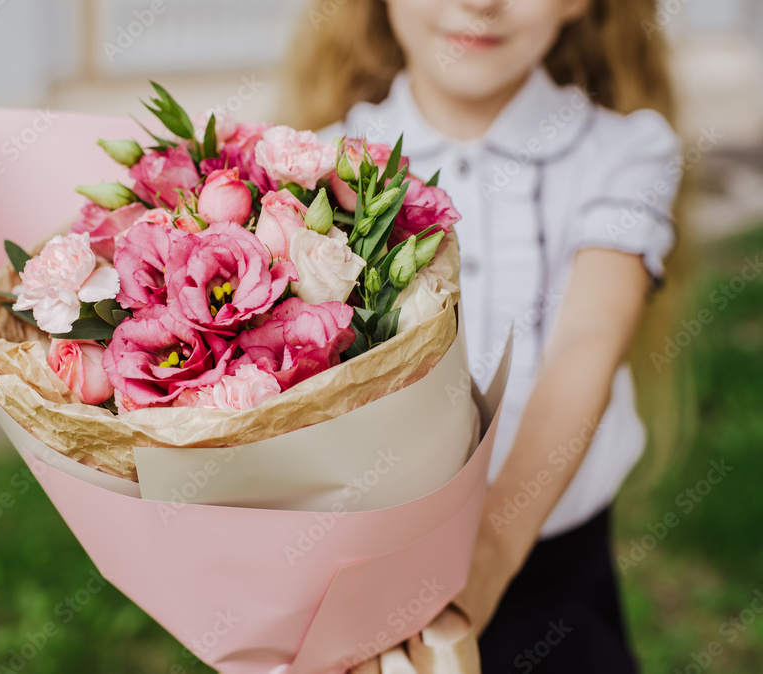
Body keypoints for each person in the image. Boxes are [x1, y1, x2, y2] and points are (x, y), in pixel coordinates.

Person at [283, 0, 685, 671]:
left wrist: (487, 559)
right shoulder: (311, 170)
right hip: (362, 589)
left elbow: (587, 340)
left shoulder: (623, 152)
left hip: (554, 579)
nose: (480, 2)